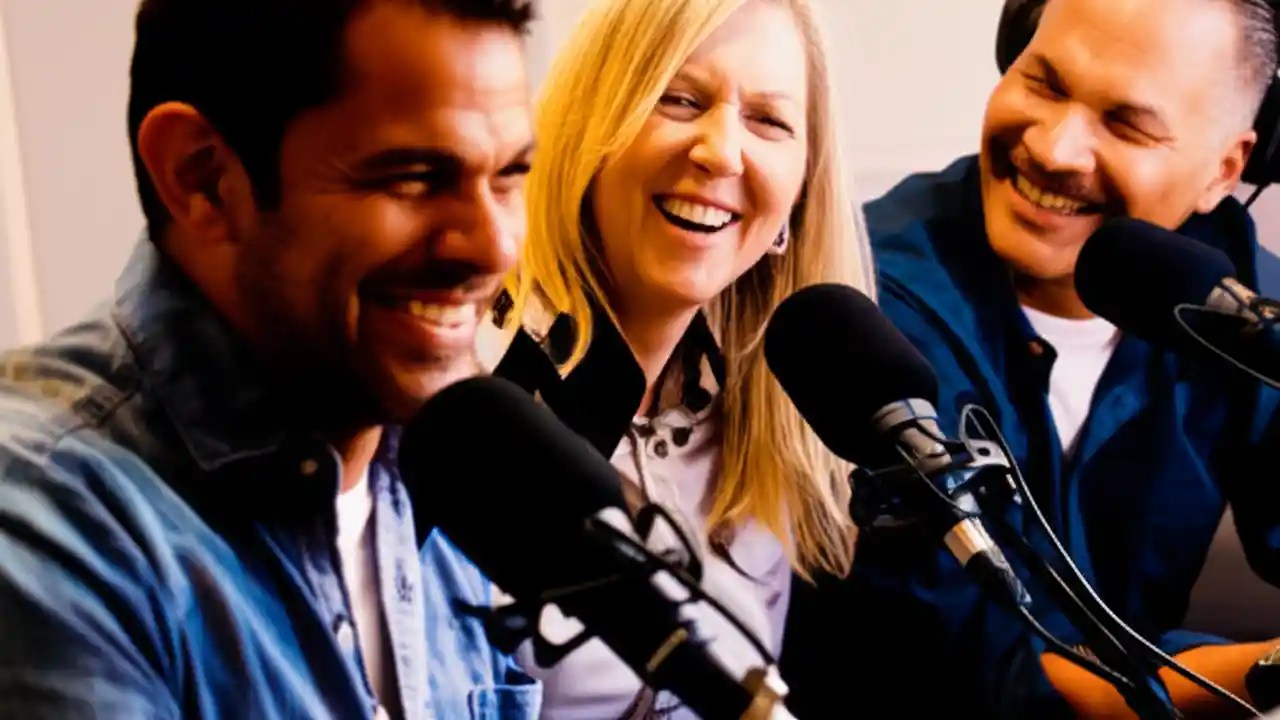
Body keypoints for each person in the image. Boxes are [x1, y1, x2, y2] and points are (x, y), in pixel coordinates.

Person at [0, 0, 543, 718]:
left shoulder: (435, 452)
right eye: (413, 177)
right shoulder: (46, 522)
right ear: (203, 178)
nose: (494, 246)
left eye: (509, 176)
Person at [782, 0, 1280, 717]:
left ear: (1223, 171)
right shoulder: (873, 311)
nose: (1053, 148)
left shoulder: (1230, 297)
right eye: (1044, 83)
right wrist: (1269, 670)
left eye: (1125, 124)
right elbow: (1008, 684)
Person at [474, 0, 873, 716]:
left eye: (768, 121)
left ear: (798, 197)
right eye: (678, 99)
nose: (721, 151)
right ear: (587, 134)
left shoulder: (767, 418)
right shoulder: (469, 391)